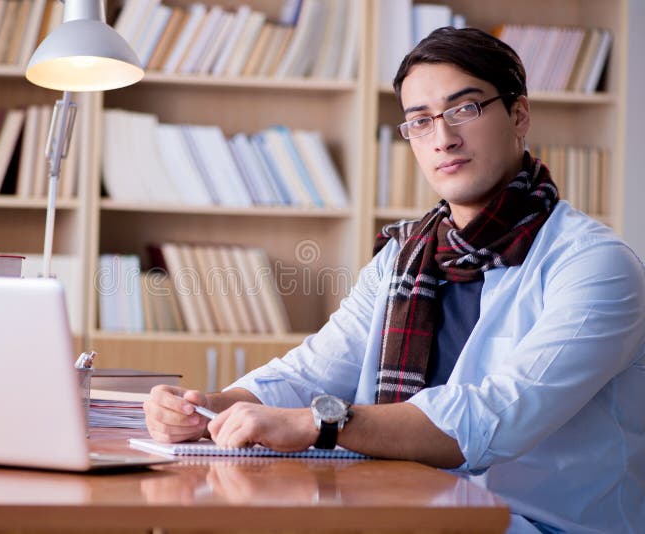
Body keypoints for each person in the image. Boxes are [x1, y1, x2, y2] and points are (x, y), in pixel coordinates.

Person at [143, 27, 645, 534]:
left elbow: (495, 416)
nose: (443, 138)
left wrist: (324, 424)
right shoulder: (404, 257)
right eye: (420, 122)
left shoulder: (595, 265)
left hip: (541, 525)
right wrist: (215, 407)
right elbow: (314, 370)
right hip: (411, 508)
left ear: (518, 116)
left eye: (464, 109)